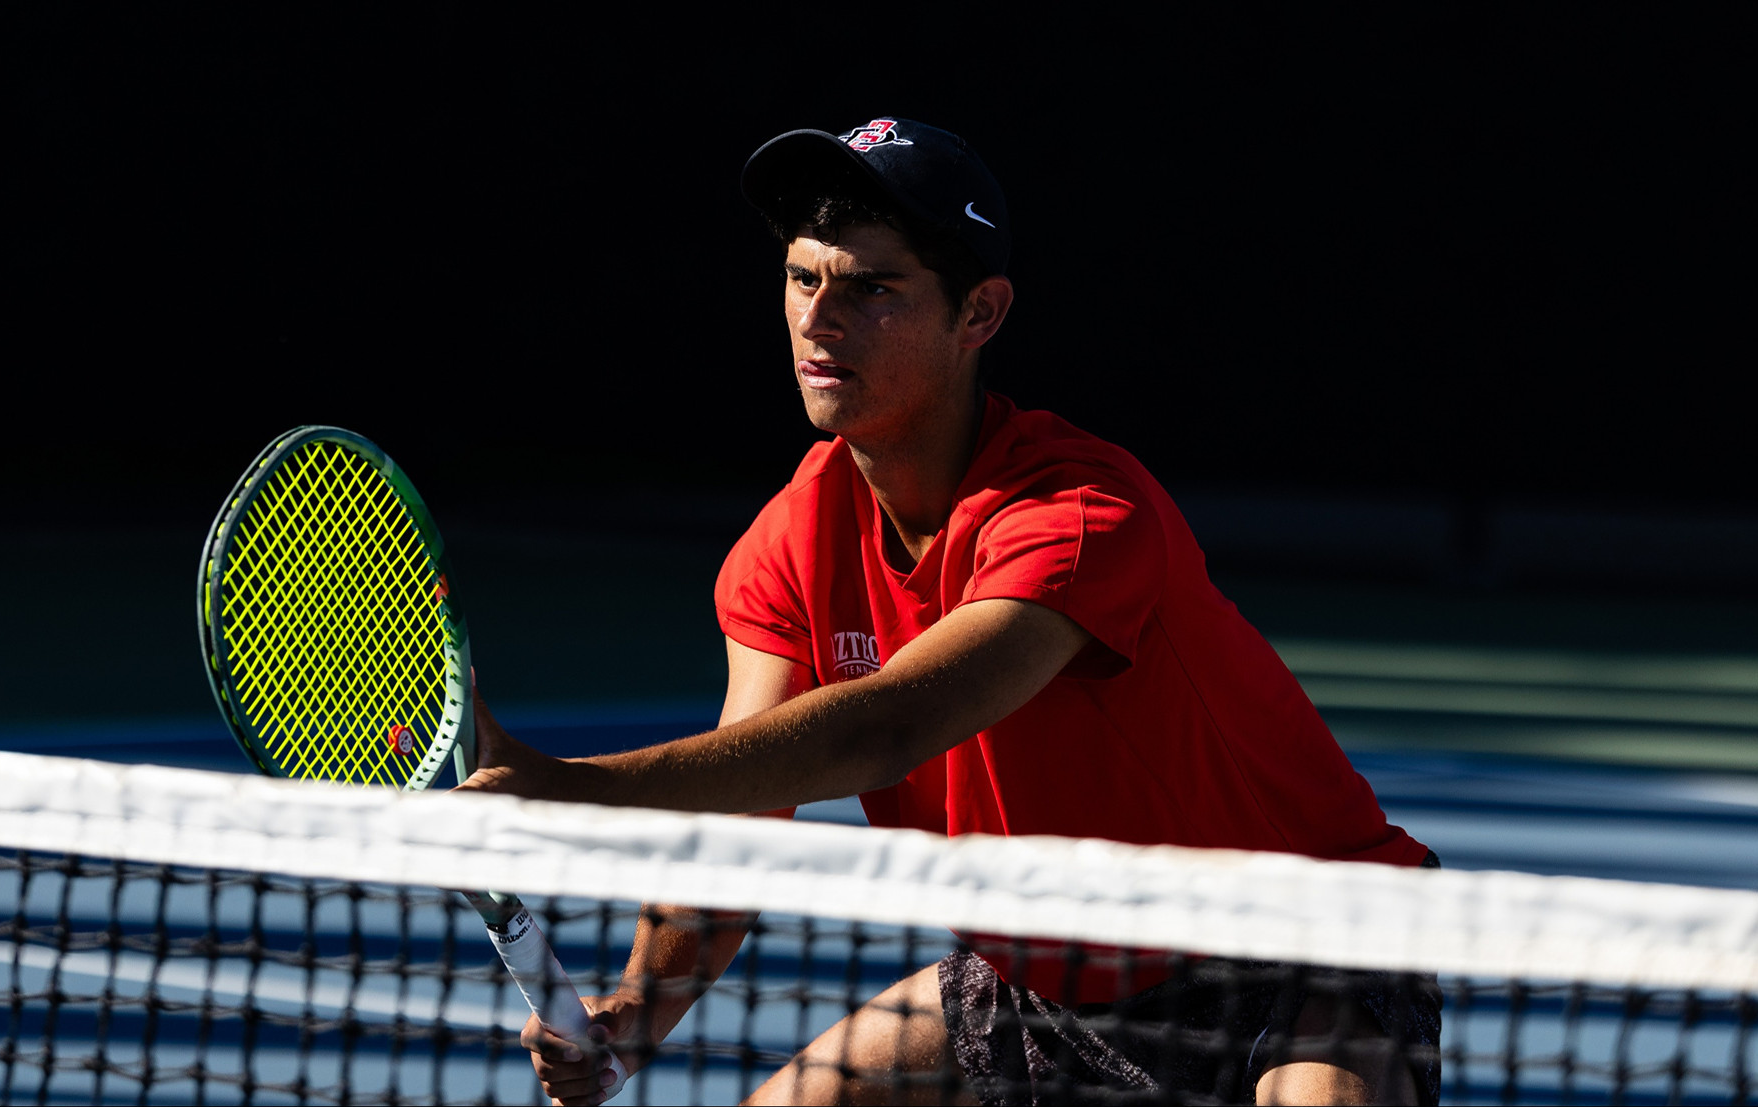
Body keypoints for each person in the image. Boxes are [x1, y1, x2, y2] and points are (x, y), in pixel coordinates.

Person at [462, 116, 1440, 1106]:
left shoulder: (1082, 513)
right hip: (1042, 975)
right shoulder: (790, 543)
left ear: (979, 314)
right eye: (804, 279)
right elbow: (745, 803)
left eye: (872, 287)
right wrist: (639, 1007)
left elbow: (891, 724)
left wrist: (566, 788)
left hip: (1303, 942)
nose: (819, 317)